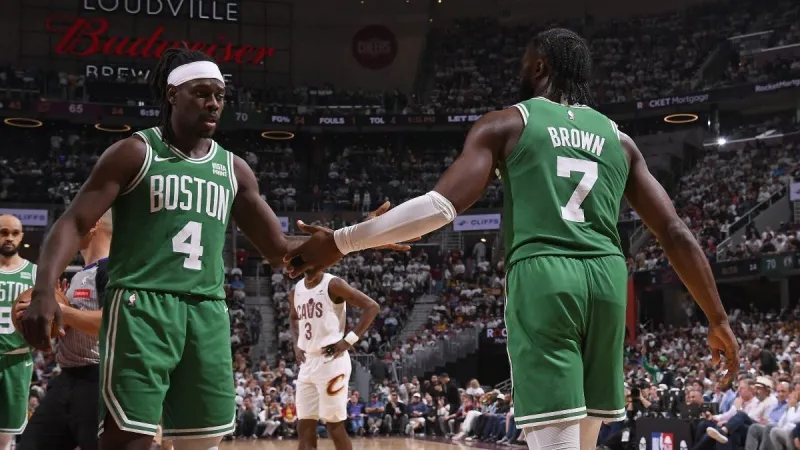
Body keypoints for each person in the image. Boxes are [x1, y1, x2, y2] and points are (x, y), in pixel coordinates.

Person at [283, 27, 741, 450]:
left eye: (524, 62)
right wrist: (717, 318)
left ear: (540, 66)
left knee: (554, 439)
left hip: (545, 274)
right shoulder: (619, 141)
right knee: (583, 440)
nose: (520, 70)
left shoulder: (508, 123)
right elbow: (674, 231)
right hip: (608, 280)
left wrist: (341, 240)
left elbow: (439, 206)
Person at [19, 48, 408, 450]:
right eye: (202, 93)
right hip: (142, 305)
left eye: (220, 95)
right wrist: (45, 288)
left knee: (203, 440)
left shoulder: (233, 169)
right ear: (172, 95)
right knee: (128, 438)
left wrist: (354, 237)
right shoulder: (135, 152)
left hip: (207, 310)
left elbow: (278, 249)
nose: (213, 103)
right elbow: (73, 222)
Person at [16, 211, 111, 450]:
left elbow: (112, 321)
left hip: (98, 380)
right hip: (67, 377)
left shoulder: (110, 267)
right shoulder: (79, 274)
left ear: (94, 223)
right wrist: (47, 324)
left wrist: (61, 310)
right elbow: (71, 327)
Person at [290, 271, 379, 450]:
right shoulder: (296, 290)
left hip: (331, 361)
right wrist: (296, 344)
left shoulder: (333, 284)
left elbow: (372, 306)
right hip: (308, 362)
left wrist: (348, 341)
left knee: (334, 426)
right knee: (304, 426)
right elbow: (293, 317)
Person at [0, 214, 37, 450]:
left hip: (17, 359)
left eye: (15, 233)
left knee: (6, 435)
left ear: (21, 236)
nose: (9, 238)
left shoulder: (35, 273)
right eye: (4, 232)